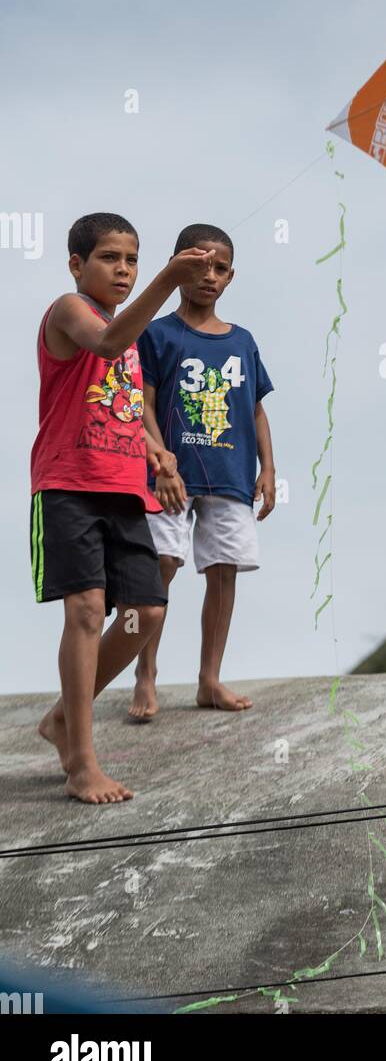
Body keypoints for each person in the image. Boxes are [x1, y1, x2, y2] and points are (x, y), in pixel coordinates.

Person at [33, 212, 212, 801]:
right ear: (77, 265)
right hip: (67, 485)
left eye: (133, 260)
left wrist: (158, 453)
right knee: (85, 610)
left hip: (123, 491)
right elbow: (106, 344)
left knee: (146, 613)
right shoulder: (70, 310)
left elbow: (124, 409)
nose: (125, 270)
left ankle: (63, 716)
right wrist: (167, 277)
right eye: (111, 258)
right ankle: (82, 761)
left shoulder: (126, 332)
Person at [130, 223, 276, 719]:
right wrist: (158, 456)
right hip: (170, 474)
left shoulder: (243, 342)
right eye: (199, 265)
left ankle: (209, 679)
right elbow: (142, 403)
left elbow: (255, 408)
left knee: (224, 569)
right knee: (161, 566)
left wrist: (269, 468)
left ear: (231, 276)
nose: (208, 276)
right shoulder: (156, 333)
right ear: (177, 268)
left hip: (231, 473)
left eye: (219, 268)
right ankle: (145, 674)